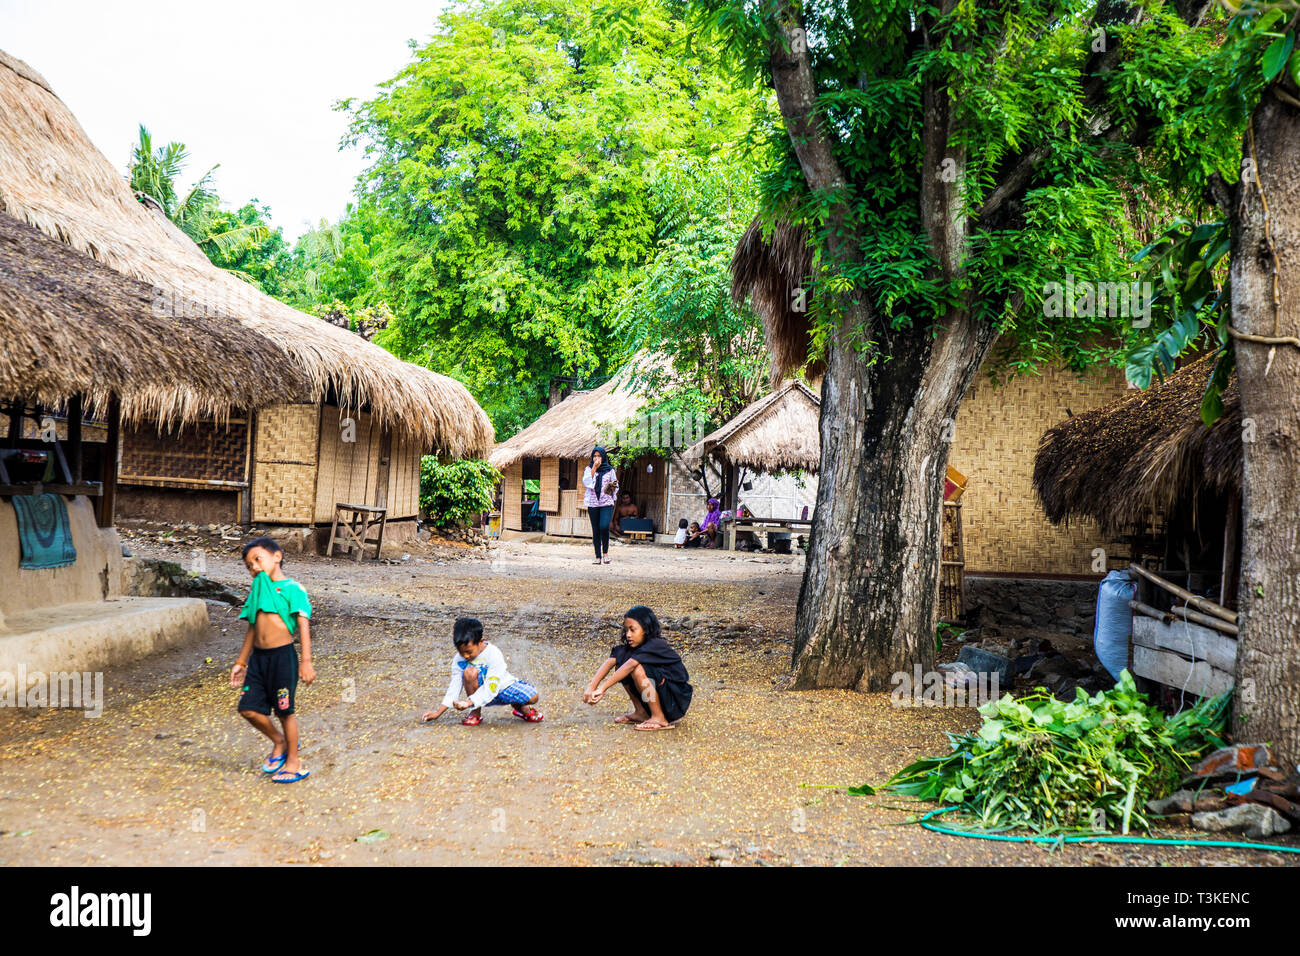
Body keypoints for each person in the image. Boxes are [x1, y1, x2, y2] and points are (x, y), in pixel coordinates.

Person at [230, 537, 315, 783]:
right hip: (259, 660)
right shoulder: (257, 591)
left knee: (284, 711)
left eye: (258, 559)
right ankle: (280, 741)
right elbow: (252, 629)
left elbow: (303, 624)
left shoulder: (293, 589)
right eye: (249, 565)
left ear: (276, 556)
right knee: (247, 708)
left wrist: (306, 661)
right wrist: (241, 662)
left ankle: (294, 763)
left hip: (282, 659)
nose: (254, 567)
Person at [582, 606, 692, 731]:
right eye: (626, 630)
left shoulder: (656, 644)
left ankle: (659, 717)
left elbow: (631, 665)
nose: (628, 635)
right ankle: (641, 712)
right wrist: (592, 687)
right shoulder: (631, 648)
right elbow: (610, 661)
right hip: (662, 695)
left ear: (645, 629)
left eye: (632, 630)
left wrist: (602, 688)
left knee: (635, 668)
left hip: (675, 699)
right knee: (620, 666)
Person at [421, 617, 543, 725]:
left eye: (469, 652)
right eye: (460, 652)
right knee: (469, 673)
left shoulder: (493, 653)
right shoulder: (459, 660)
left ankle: (520, 708)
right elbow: (455, 685)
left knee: (533, 696)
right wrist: (438, 713)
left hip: (501, 688)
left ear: (480, 642)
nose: (465, 656)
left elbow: (493, 686)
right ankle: (475, 712)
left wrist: (468, 702)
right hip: (478, 694)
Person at [582, 445, 618, 564]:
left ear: (603, 457)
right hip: (593, 502)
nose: (596, 458)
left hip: (606, 502)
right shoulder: (588, 469)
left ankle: (605, 554)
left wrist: (612, 487)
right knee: (596, 529)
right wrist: (594, 468)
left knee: (604, 526)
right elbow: (587, 482)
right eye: (594, 456)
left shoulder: (610, 470)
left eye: (599, 456)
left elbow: (616, 485)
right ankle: (598, 557)